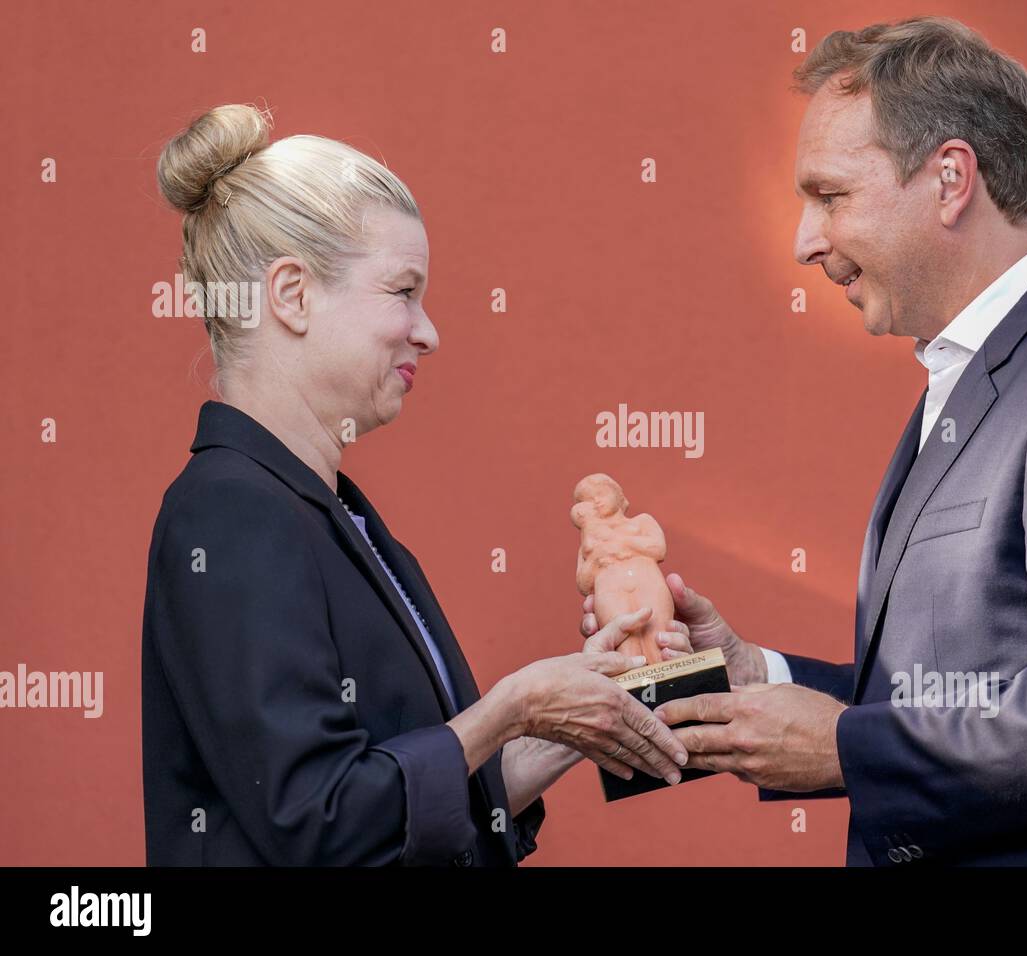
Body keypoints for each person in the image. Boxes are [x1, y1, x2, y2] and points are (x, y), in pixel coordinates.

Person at [585, 17, 1027, 867]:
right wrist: (758, 677)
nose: (805, 242)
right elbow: (953, 696)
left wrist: (844, 749)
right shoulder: (989, 372)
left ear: (949, 179)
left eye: (830, 196)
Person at [142, 103, 692, 866]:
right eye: (403, 291)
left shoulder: (330, 514)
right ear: (292, 295)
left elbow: (396, 811)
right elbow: (319, 823)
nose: (428, 331)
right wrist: (507, 711)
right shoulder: (233, 509)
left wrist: (575, 720)